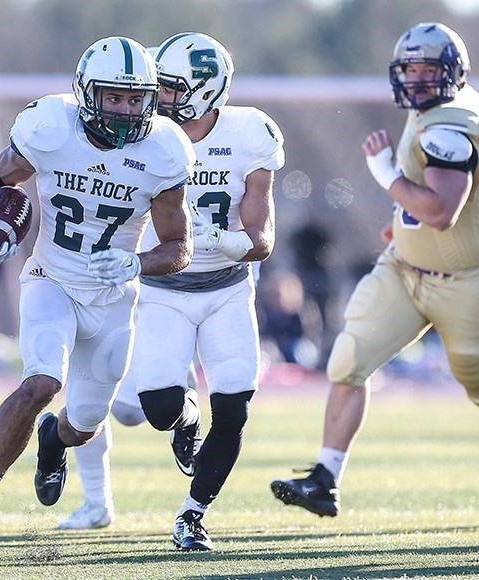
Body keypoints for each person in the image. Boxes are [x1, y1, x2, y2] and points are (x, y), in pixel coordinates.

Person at [270, 22, 479, 518]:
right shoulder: (431, 110)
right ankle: (325, 478)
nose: (417, 80)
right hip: (405, 270)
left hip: (467, 282)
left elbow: (440, 212)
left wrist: (386, 172)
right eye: (410, 69)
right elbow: (422, 211)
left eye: (429, 70)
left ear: (453, 74)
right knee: (349, 360)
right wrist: (399, 228)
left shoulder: (454, 125)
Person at [0, 36, 196, 543]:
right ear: (87, 94)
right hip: (52, 280)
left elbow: (179, 247)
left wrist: (136, 262)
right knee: (42, 383)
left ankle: (53, 440)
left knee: (83, 422)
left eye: (135, 99)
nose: (126, 111)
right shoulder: (50, 127)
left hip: (112, 299)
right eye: (114, 98)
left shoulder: (165, 148)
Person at [56, 32, 284, 551]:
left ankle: (192, 516)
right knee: (153, 408)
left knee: (235, 407)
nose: (157, 100)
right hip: (161, 287)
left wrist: (214, 239)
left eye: (171, 88)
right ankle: (182, 414)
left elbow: (262, 241)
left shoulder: (251, 132)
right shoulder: (145, 135)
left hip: (228, 289)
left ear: (205, 90)